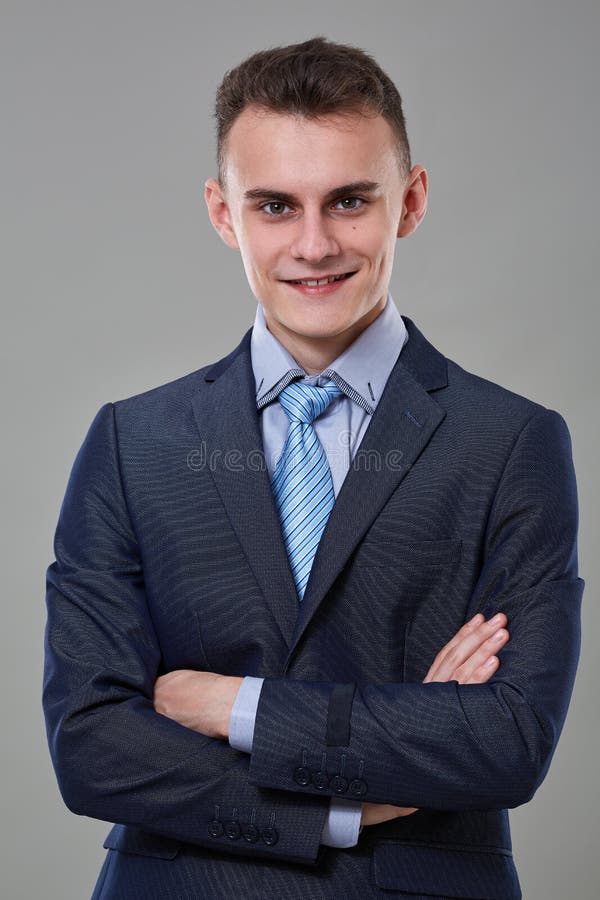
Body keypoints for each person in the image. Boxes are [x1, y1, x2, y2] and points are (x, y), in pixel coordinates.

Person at [43, 36, 583, 900]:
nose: (315, 243)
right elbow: (92, 745)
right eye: (275, 207)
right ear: (224, 215)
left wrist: (231, 707)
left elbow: (507, 740)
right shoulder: (129, 442)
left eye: (349, 200)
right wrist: (345, 803)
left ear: (409, 202)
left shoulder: (513, 443)